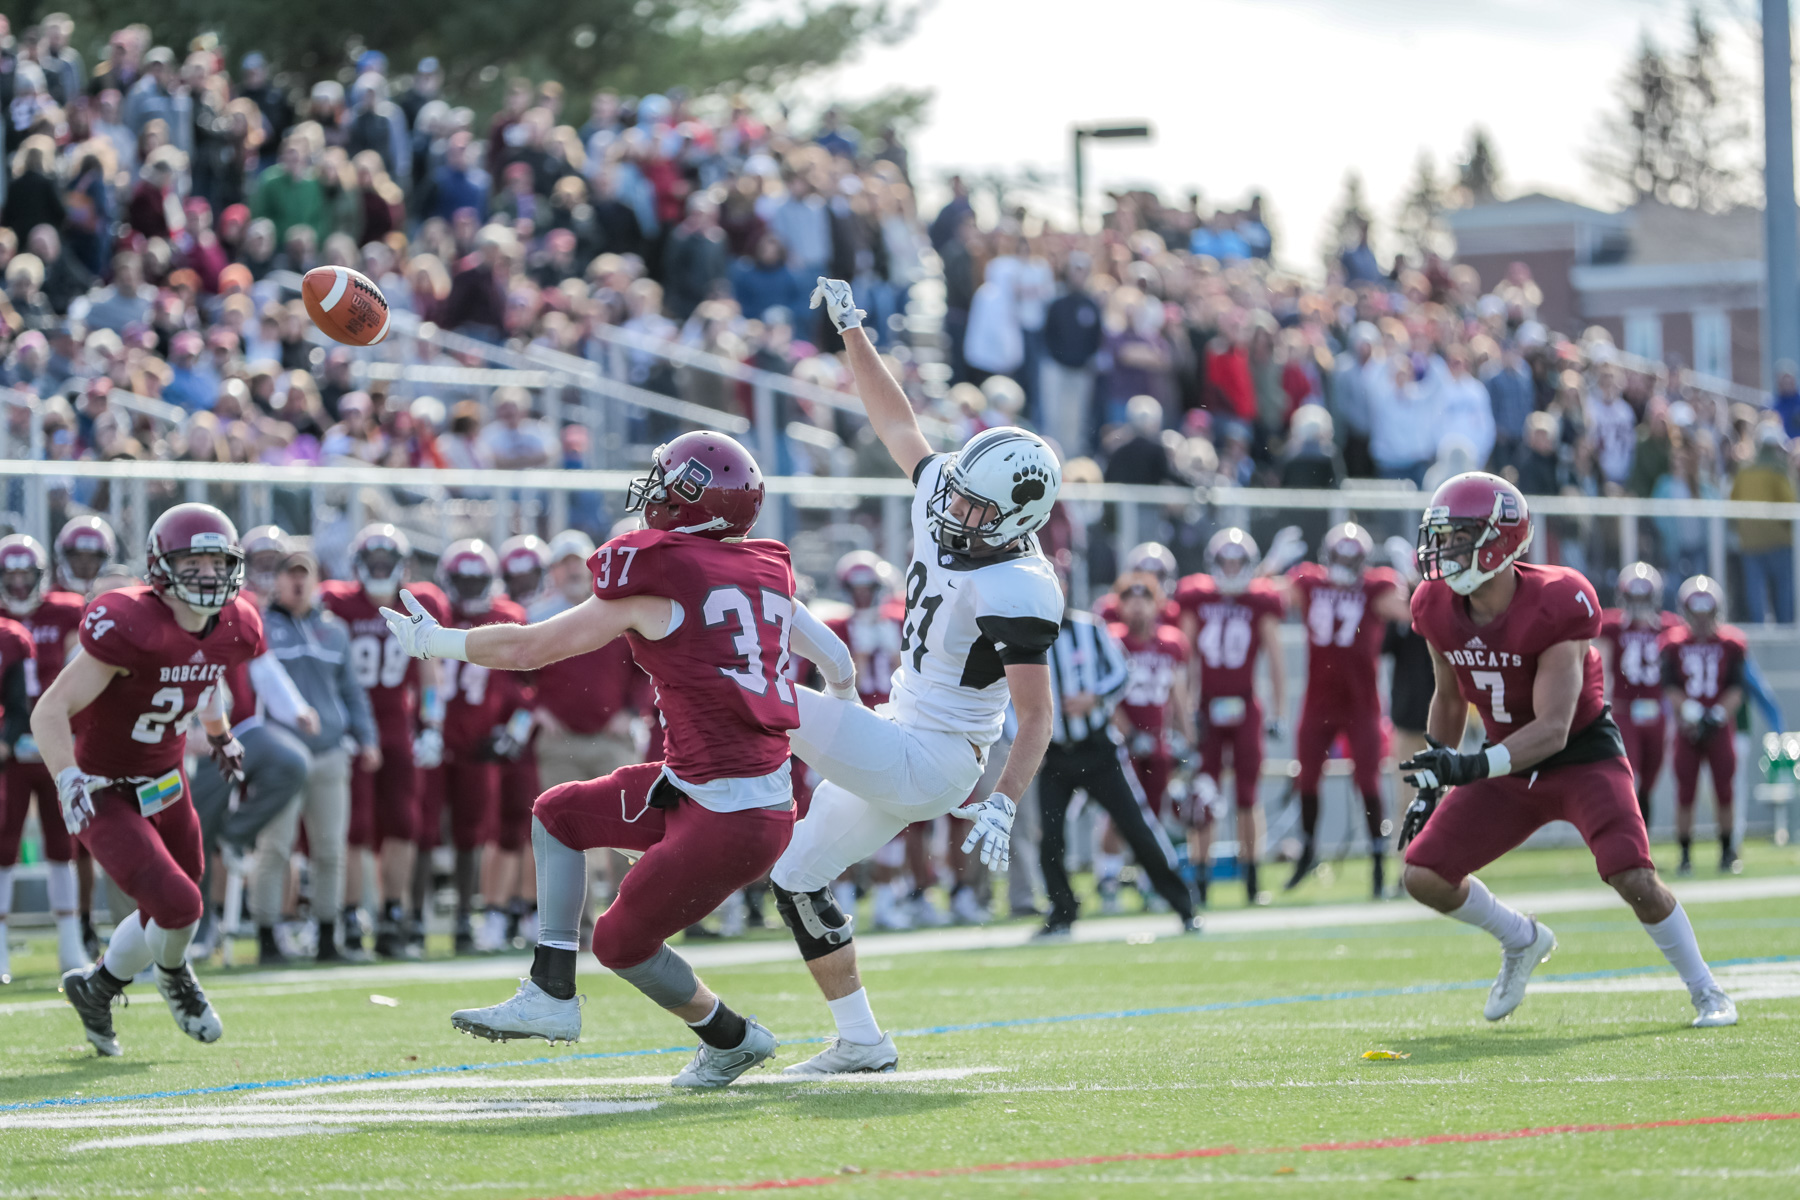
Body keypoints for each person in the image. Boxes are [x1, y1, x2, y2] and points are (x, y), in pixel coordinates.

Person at [388, 431, 850, 1089]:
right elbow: (837, 659)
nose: (653, 492)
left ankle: (731, 1038)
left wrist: (436, 640)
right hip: (720, 791)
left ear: (690, 501)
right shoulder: (764, 573)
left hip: (729, 814)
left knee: (618, 943)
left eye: (665, 481)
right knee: (558, 814)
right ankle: (554, 989)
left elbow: (529, 649)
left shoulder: (656, 586)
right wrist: (840, 706)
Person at [763, 278, 1063, 1076]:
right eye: (957, 492)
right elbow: (895, 419)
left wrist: (1004, 803)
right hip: (897, 729)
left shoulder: (1021, 586)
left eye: (972, 507)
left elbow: (1035, 717)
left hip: (937, 758)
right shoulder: (949, 492)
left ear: (1018, 521)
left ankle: (682, 803)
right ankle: (862, 1040)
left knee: (756, 697)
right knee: (794, 879)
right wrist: (853, 330)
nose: (951, 509)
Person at [1398, 472, 1736, 1029]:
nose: (1443, 549)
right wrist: (1437, 771)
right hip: (1507, 762)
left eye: (1458, 535)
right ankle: (1521, 939)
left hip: (1580, 756)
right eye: (1441, 535)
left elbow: (1554, 727)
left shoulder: (1559, 599)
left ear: (1499, 541)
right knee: (1424, 874)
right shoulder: (1433, 604)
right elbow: (1450, 695)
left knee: (1633, 877)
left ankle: (1708, 990)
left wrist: (1471, 766)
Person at [32, 504, 262, 1057]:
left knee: (179, 895)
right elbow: (50, 711)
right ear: (162, 564)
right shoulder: (131, 622)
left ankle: (99, 988)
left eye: (217, 561)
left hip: (165, 778)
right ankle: (175, 973)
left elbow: (202, 675)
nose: (208, 574)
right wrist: (67, 779)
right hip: (101, 787)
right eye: (194, 561)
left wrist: (221, 734)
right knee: (180, 906)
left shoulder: (235, 623)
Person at [320, 524, 450, 959]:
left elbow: (430, 672)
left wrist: (431, 725)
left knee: (402, 824)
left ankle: (394, 913)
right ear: (358, 566)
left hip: (397, 729)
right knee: (354, 828)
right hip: (353, 728)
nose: (379, 570)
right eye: (372, 562)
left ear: (402, 566)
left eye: (385, 561)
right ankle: (353, 913)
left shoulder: (420, 602)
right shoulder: (336, 603)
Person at [256, 545, 378, 963]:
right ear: (276, 580)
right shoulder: (260, 627)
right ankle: (267, 935)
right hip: (282, 753)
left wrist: (368, 737)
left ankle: (329, 935)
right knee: (275, 847)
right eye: (290, 573)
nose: (297, 581)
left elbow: (351, 691)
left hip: (328, 751)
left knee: (329, 849)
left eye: (304, 573)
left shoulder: (334, 630)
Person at [1280, 524, 1411, 896]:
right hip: (1318, 702)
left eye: (1352, 559)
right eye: (1340, 557)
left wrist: (1412, 578)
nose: (1345, 565)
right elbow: (1264, 599)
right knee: (1307, 778)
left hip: (1361, 705)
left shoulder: (1376, 587)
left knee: (1368, 781)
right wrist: (1269, 567)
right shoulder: (1308, 582)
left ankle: (1374, 861)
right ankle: (1306, 849)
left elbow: (1412, 613)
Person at [424, 539, 526, 956]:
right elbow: (425, 677)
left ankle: (467, 915)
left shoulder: (507, 618)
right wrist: (425, 724)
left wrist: (514, 731)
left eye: (476, 582)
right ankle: (416, 917)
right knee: (423, 830)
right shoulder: (435, 614)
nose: (468, 590)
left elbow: (531, 691)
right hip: (435, 740)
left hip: (480, 746)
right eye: (462, 582)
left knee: (473, 835)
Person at [1175, 528, 1286, 906]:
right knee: (1202, 796)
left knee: (1247, 795)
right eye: (1227, 561)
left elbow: (1275, 657)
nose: (1233, 569)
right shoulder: (1196, 596)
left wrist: (1279, 709)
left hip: (1245, 704)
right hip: (1206, 705)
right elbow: (1186, 656)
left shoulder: (1260, 600)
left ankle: (1252, 880)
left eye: (1239, 562)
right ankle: (1201, 880)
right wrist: (1188, 709)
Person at [0, 534, 87, 978]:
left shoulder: (67, 609)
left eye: (24, 575)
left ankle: (71, 949)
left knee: (62, 844)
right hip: (7, 750)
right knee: (3, 844)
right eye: (9, 576)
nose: (17, 585)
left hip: (56, 743)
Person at [477, 534, 553, 952]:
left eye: (531, 576)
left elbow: (536, 691)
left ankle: (525, 910)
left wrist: (518, 728)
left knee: (535, 830)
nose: (524, 585)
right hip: (490, 739)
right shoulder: (501, 615)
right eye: (516, 576)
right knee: (501, 830)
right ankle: (497, 910)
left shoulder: (549, 617)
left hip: (531, 742)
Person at [1106, 573, 1195, 872]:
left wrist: (1189, 739)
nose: (1138, 608)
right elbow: (1107, 697)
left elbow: (1178, 695)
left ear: (1157, 604)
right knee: (1119, 813)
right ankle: (1109, 877)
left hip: (1158, 740)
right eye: (1130, 600)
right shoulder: (1112, 640)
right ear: (1118, 605)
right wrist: (1128, 733)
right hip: (1121, 741)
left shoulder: (1171, 642)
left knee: (1154, 812)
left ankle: (1150, 877)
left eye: (1144, 600)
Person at [1661, 576, 1747, 876]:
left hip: (1720, 727)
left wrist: (1716, 715)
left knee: (1725, 791)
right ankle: (1685, 854)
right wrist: (1691, 711)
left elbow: (1737, 687)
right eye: (1695, 614)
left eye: (1705, 614)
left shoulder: (1731, 644)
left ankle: (1727, 851)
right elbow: (1670, 686)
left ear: (1715, 612)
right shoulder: (1672, 644)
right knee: (1685, 793)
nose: (1700, 621)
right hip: (1687, 729)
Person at [1598, 563, 1675, 828]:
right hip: (1624, 709)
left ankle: (1644, 834)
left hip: (1656, 711)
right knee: (1628, 774)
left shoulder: (1669, 627)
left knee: (1650, 780)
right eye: (1634, 597)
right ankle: (1630, 830)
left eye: (1644, 598)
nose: (1640, 604)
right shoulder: (1613, 626)